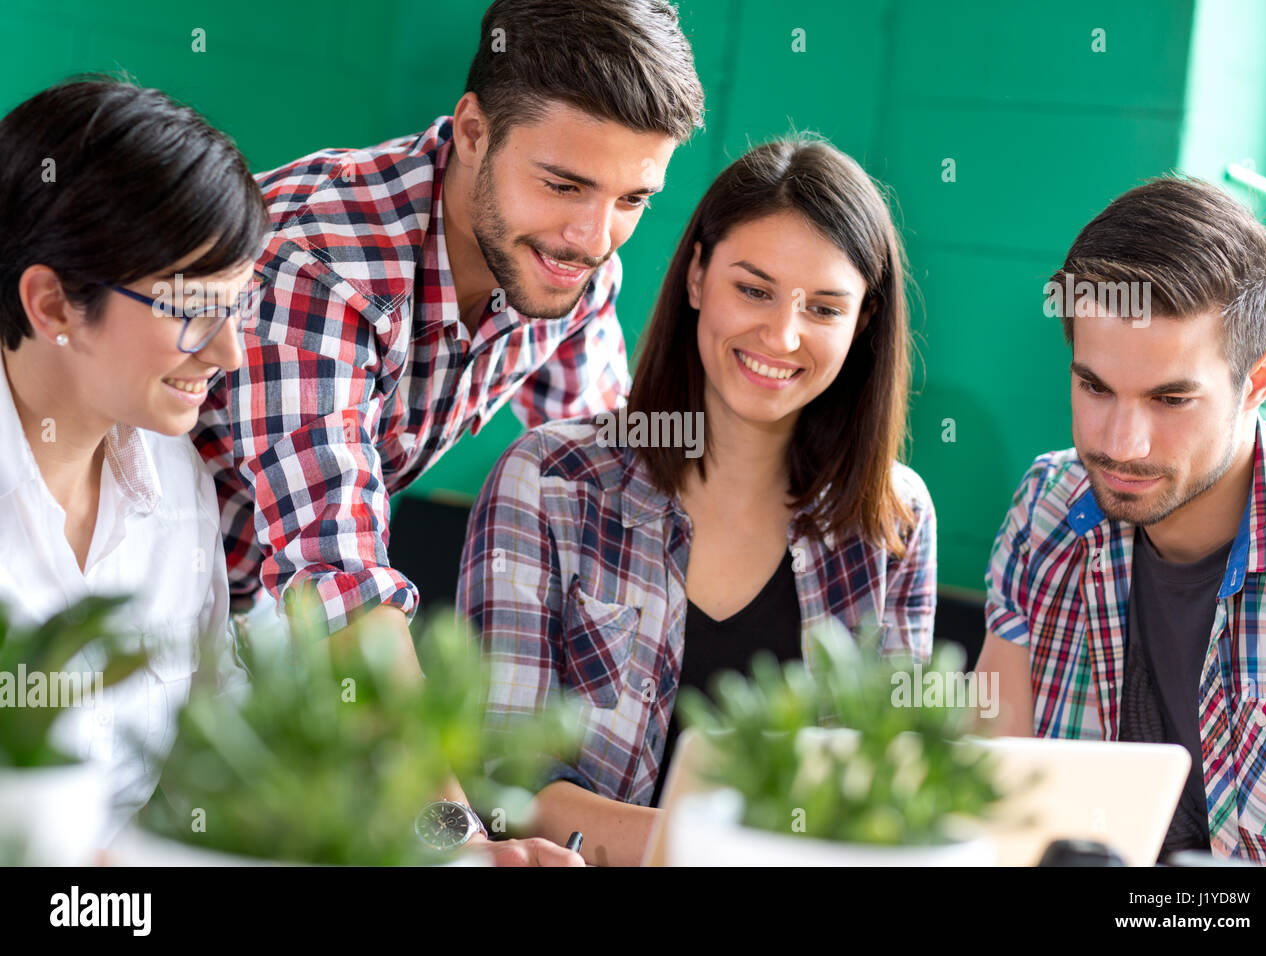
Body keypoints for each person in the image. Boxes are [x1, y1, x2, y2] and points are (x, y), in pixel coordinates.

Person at [189, 0, 704, 866]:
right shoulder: (324, 265)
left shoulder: (569, 261)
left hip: (272, 642)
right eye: (565, 184)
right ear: (473, 129)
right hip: (138, 613)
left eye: (633, 199)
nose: (593, 238)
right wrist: (457, 840)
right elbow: (343, 596)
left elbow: (619, 478)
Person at [458, 136, 938, 866]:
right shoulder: (551, 480)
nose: (782, 333)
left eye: (824, 308)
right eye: (753, 289)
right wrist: (718, 851)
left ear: (864, 323)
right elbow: (503, 782)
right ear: (696, 277)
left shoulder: (896, 519)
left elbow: (887, 783)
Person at [976, 176, 1266, 865]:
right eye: (1094, 386)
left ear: (1260, 381)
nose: (1122, 445)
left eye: (1171, 398)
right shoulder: (1050, 506)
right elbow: (989, 788)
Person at [0, 78, 262, 843]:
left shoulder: (175, 473)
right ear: (50, 305)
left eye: (236, 306)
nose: (229, 353)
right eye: (190, 310)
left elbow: (219, 746)